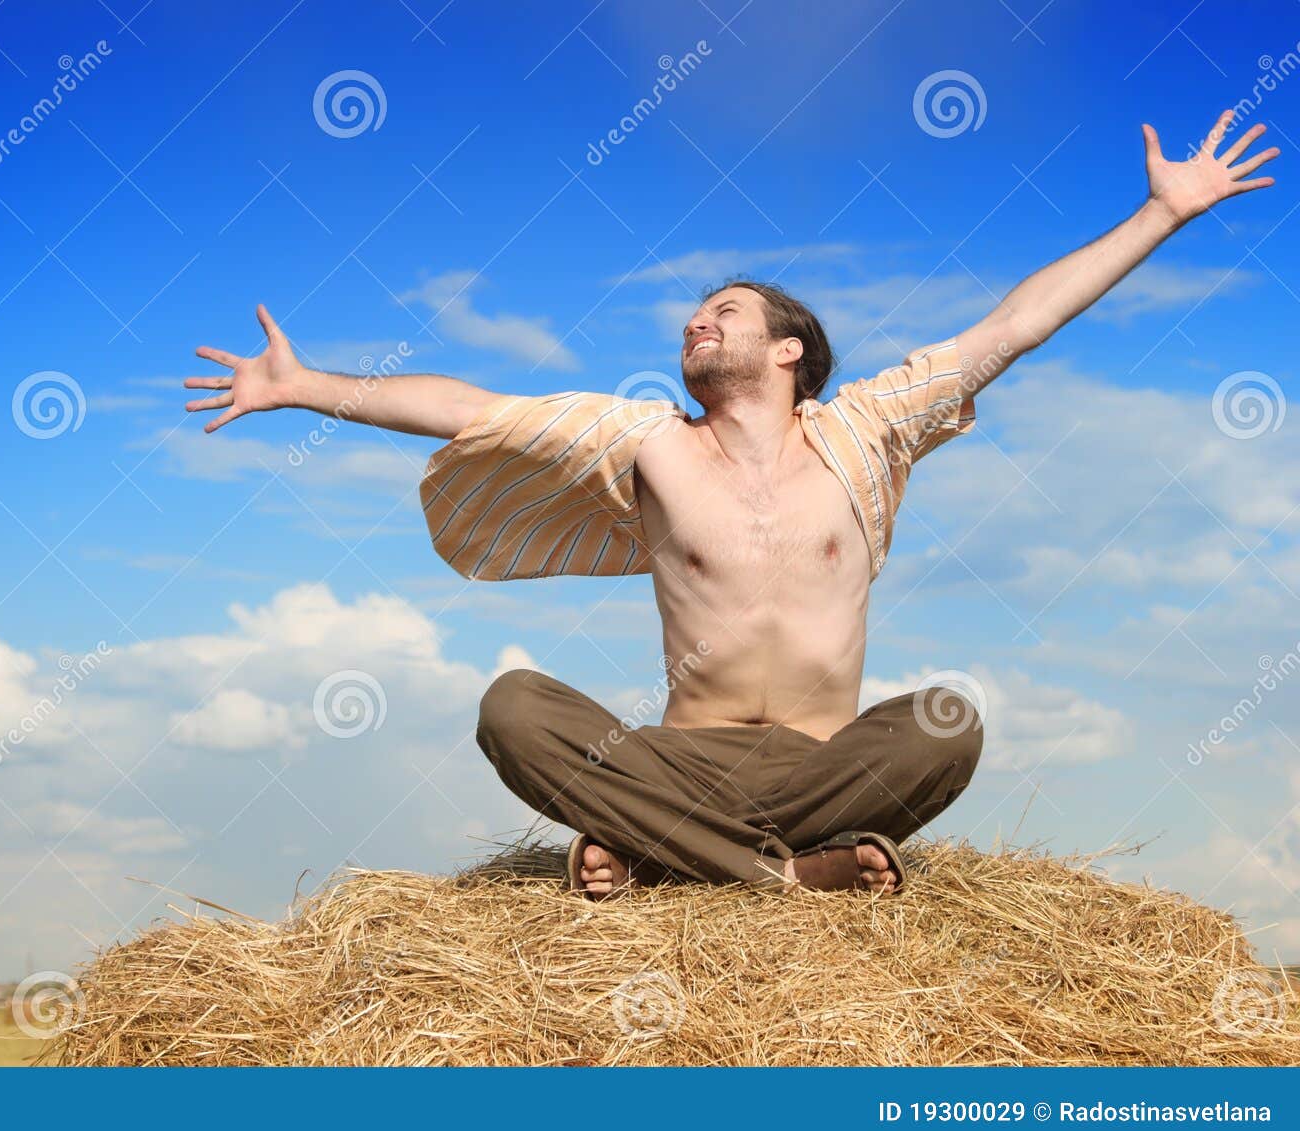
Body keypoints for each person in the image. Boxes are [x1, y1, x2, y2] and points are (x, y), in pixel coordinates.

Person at [185, 111, 1278, 899]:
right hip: (680, 756)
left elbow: (1014, 326)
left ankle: (664, 857)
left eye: (726, 310)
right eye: (692, 317)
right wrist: (307, 385)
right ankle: (780, 876)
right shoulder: (647, 441)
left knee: (950, 717)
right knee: (514, 701)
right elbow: (472, 407)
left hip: (824, 758)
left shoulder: (868, 427)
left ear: (789, 349)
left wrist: (1160, 214)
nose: (696, 323)